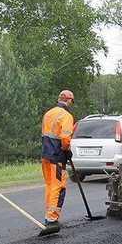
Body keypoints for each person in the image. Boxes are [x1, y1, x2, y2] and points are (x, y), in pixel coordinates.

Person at [41, 89, 75, 234]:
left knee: (49, 186)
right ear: (68, 100)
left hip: (46, 155)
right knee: (59, 187)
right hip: (57, 156)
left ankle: (48, 216)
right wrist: (67, 151)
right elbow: (65, 139)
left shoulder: (48, 113)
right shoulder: (66, 116)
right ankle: (52, 219)